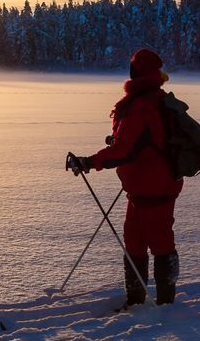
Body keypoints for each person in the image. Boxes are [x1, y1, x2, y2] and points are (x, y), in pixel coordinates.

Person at [71, 49, 182, 307]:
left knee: (159, 242)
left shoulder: (141, 105)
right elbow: (138, 141)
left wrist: (89, 162)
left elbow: (124, 150)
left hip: (154, 186)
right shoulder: (154, 99)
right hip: (145, 186)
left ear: (136, 72)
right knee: (135, 242)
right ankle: (137, 301)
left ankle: (165, 305)